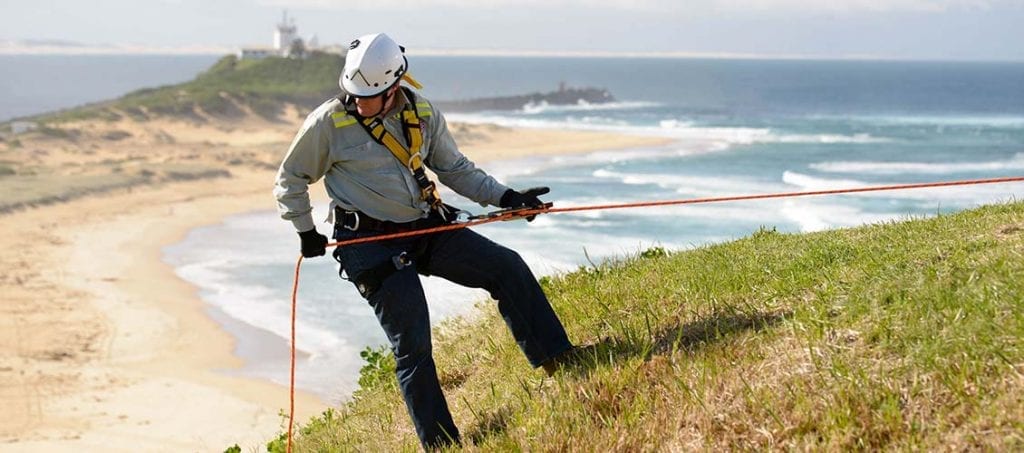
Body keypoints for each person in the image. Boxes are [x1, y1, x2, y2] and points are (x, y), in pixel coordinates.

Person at [273, 33, 574, 449]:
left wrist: (508, 198)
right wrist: (305, 230)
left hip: (425, 227)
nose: (359, 103)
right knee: (412, 341)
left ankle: (563, 363)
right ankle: (441, 444)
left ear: (394, 87)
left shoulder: (424, 113)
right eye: (354, 93)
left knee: (507, 268)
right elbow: (290, 178)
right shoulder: (329, 122)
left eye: (369, 97)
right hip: (367, 243)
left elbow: (456, 170)